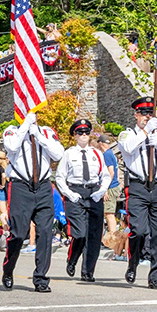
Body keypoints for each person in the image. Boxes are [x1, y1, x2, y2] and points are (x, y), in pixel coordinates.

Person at [117, 96, 157, 289]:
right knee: (139, 231)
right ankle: (133, 263)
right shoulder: (127, 134)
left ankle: (155, 276)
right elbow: (127, 148)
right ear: (136, 115)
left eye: (150, 113)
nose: (147, 117)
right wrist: (145, 132)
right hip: (137, 187)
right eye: (143, 113)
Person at [1, 111, 64, 292]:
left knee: (45, 233)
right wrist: (25, 127)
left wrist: (38, 134)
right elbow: (12, 148)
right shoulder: (12, 131)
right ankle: (8, 269)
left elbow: (58, 153)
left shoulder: (46, 132)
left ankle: (41, 278)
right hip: (21, 187)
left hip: (43, 187)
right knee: (19, 234)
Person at [56, 119, 110, 282]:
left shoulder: (97, 154)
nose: (84, 136)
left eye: (86, 133)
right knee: (79, 234)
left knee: (94, 235)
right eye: (80, 133)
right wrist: (69, 193)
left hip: (94, 192)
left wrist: (101, 191)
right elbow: (60, 177)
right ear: (74, 135)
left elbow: (105, 176)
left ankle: (88, 271)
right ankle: (72, 259)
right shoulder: (68, 154)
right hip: (75, 192)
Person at [97, 135, 120, 234]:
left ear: (100, 143)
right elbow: (117, 171)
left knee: (109, 214)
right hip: (114, 185)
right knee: (107, 213)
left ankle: (112, 239)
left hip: (110, 187)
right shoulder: (112, 154)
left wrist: (105, 188)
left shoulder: (106, 155)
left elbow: (111, 172)